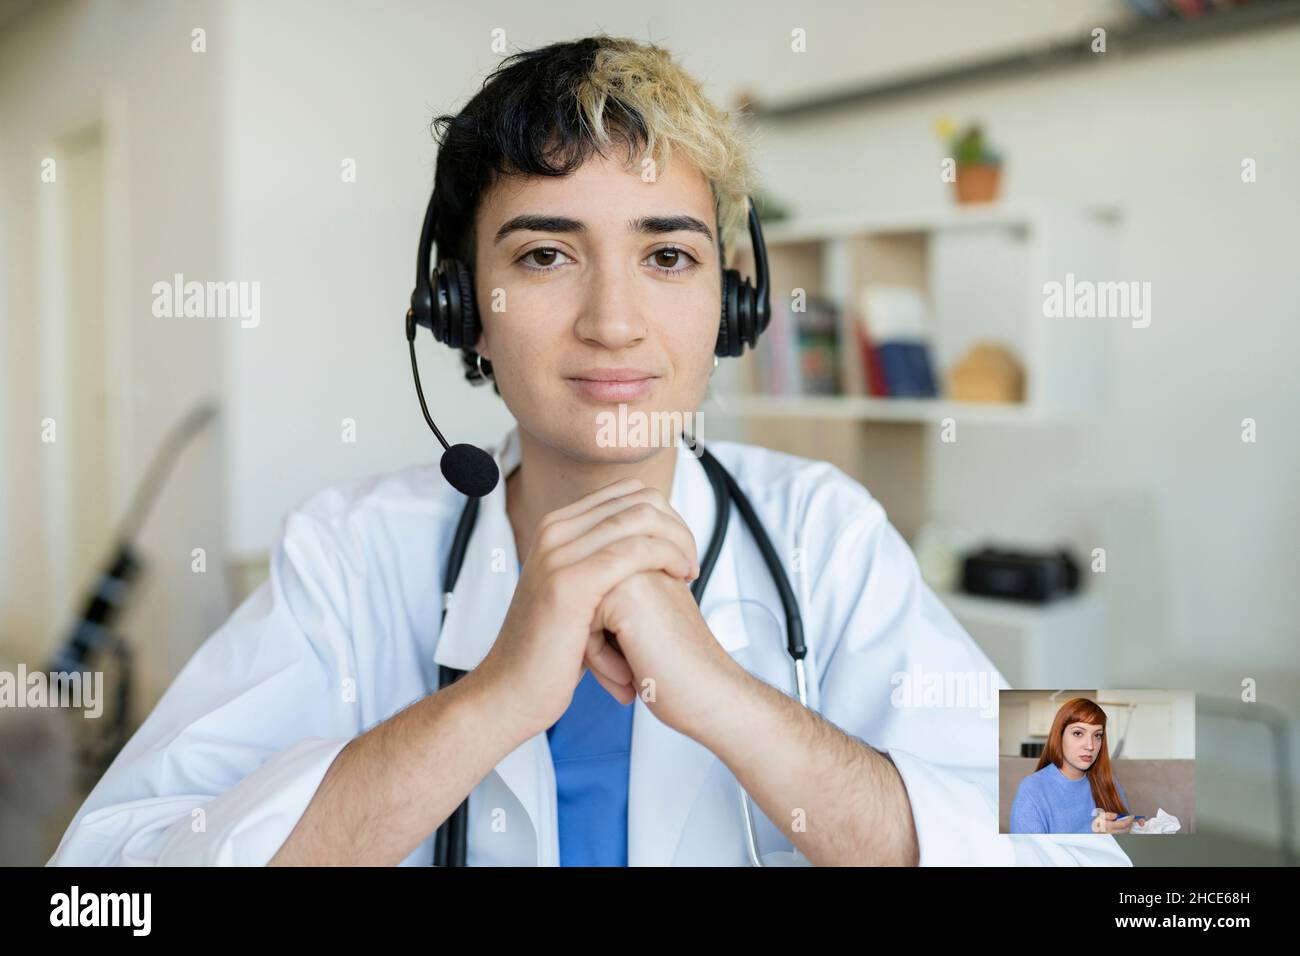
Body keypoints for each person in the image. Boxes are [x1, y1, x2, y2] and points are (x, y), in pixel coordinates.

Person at [48, 35, 1129, 867]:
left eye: (667, 252)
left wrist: (721, 694)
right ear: (460, 306)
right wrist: (495, 697)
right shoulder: (346, 546)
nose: (614, 322)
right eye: (547, 252)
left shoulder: (827, 522)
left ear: (733, 303)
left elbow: (1108, 834)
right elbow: (104, 884)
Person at [1010, 697, 1144, 835]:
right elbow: (1030, 854)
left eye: (1097, 735)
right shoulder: (1032, 789)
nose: (1090, 746)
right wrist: (1094, 835)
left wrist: (1133, 828)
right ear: (1059, 735)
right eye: (1078, 733)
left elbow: (1123, 832)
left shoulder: (1109, 780)